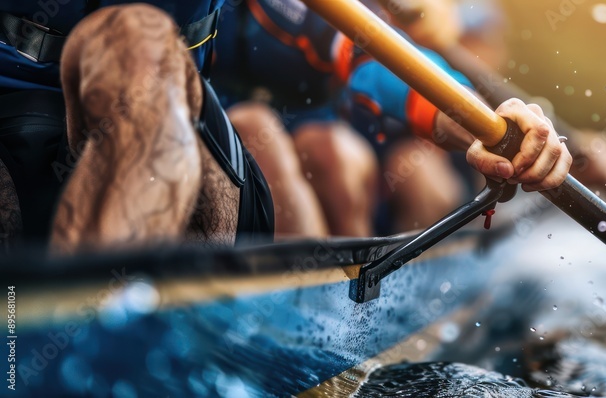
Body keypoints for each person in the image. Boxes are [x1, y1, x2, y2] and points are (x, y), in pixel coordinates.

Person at [0, 1, 572, 254]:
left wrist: (496, 130)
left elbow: (379, 67)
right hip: (22, 143)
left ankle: (99, 332)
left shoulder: (286, 11)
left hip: (193, 178)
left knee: (135, 42)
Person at [211, 0, 480, 238]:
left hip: (312, 137)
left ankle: (353, 276)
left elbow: (370, 54)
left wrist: (477, 122)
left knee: (330, 152)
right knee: (254, 127)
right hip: (216, 131)